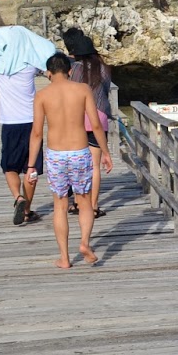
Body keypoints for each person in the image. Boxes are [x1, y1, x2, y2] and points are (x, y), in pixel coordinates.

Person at [27, 52, 113, 268]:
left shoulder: (42, 95)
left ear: (48, 73)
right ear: (69, 70)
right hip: (79, 151)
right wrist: (106, 152)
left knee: (60, 205)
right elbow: (95, 125)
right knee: (84, 201)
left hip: (56, 154)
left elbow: (36, 133)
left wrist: (30, 165)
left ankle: (64, 259)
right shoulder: (82, 89)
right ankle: (84, 243)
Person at [0, 23, 56, 224]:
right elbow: (46, 53)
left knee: (10, 167)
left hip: (10, 123)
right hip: (32, 122)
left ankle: (18, 197)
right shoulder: (30, 65)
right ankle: (27, 210)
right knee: (31, 167)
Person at [64, 28, 114, 219]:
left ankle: (77, 202)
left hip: (77, 119)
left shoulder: (73, 69)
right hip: (98, 118)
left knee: (77, 164)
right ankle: (93, 206)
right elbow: (107, 90)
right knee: (94, 165)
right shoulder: (104, 69)